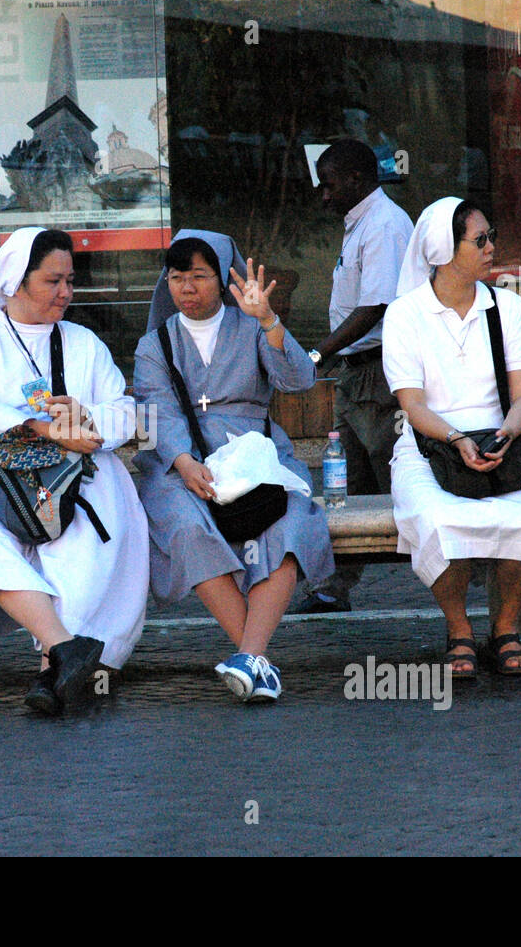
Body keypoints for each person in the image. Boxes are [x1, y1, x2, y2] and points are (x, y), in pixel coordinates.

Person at [0, 227, 149, 715]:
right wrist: (41, 428)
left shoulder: (83, 342)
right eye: (53, 281)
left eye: (70, 281)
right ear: (15, 281)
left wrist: (85, 419)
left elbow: (123, 412)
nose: (66, 293)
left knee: (81, 550)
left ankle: (52, 669)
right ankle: (64, 651)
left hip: (79, 475)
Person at [381, 198, 521, 678]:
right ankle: (458, 630)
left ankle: (506, 627)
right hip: (428, 443)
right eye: (481, 240)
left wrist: (509, 432)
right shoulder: (405, 315)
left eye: (491, 236)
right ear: (443, 250)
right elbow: (411, 406)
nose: (492, 247)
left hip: (500, 440)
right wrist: (456, 438)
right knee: (437, 519)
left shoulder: (508, 308)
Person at [132, 230, 334, 703]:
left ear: (221, 278)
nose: (186, 288)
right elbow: (152, 414)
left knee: (287, 524)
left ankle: (250, 657)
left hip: (254, 454)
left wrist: (268, 320)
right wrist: (183, 461)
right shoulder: (153, 345)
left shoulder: (250, 326)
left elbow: (298, 381)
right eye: (177, 277)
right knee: (183, 528)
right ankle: (255, 658)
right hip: (180, 462)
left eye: (199, 276)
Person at [295, 138, 413, 615]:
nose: (323, 195)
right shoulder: (361, 224)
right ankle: (332, 586)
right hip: (357, 373)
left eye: (329, 184)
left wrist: (319, 353)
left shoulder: (383, 226)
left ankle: (468, 572)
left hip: (380, 375)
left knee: (401, 482)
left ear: (357, 181)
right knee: (345, 485)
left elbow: (375, 307)